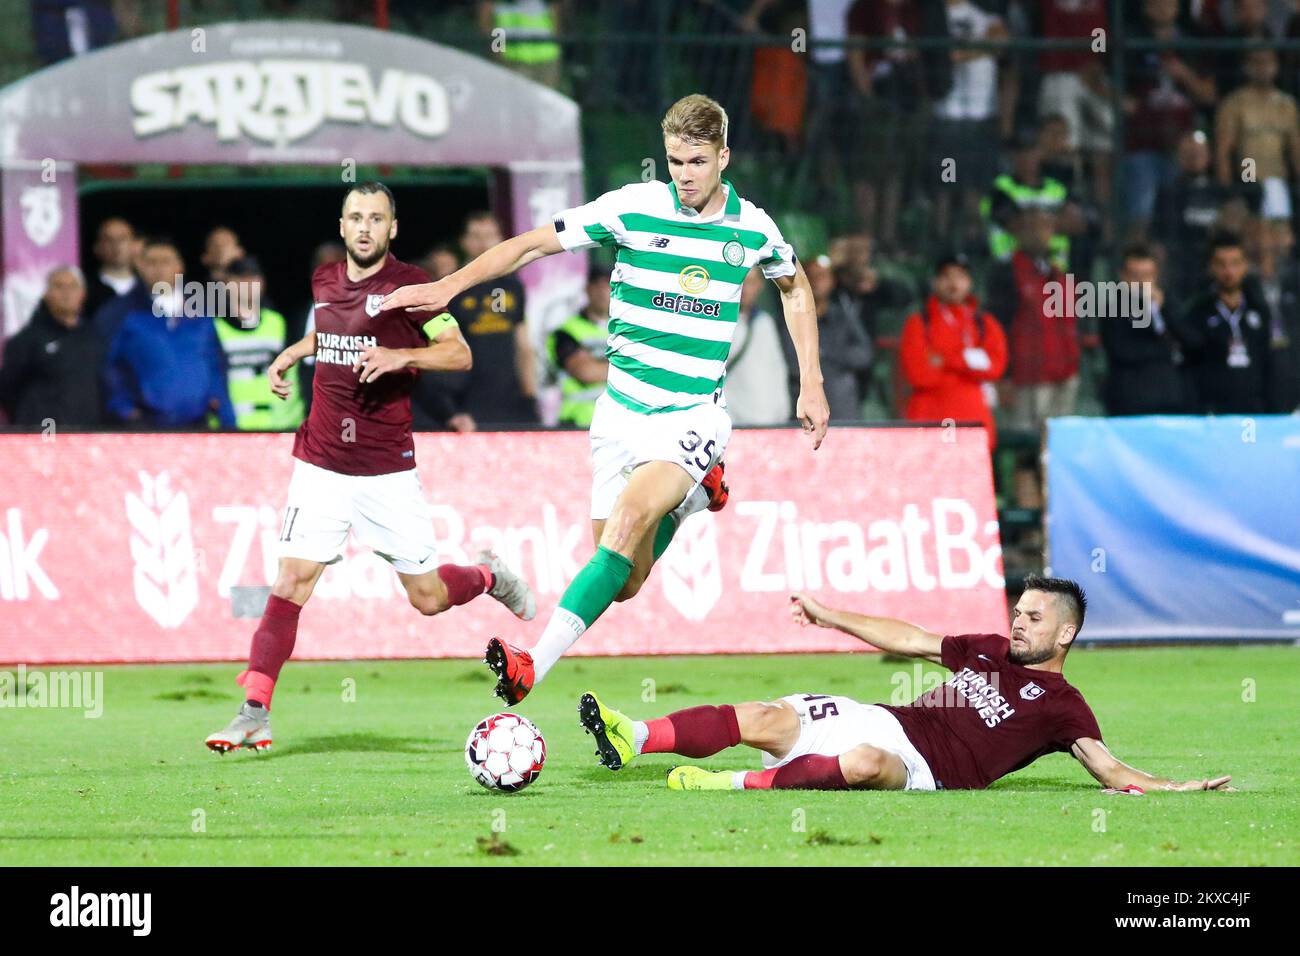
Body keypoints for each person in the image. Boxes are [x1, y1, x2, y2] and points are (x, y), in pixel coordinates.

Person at [382, 94, 830, 704]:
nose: (685, 175)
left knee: (624, 526)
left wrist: (813, 380)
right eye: (674, 161)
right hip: (619, 413)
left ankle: (532, 663)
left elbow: (795, 288)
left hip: (691, 414)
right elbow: (531, 244)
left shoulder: (752, 228)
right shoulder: (631, 208)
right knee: (622, 580)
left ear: (724, 156)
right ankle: (696, 500)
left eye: (697, 161)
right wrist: (449, 284)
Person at [204, 182, 537, 754]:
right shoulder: (325, 280)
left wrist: (402, 355)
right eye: (355, 217)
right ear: (341, 226)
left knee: (428, 598)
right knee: (290, 582)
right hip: (321, 462)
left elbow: (459, 353)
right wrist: (296, 350)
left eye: (376, 218)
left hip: (385, 468)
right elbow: (335, 331)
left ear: (392, 229)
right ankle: (254, 710)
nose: (364, 227)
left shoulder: (413, 288)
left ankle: (487, 576)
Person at [577, 576, 1233, 794]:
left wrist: (1176, 788)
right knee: (771, 715)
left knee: (864, 765)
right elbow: (910, 637)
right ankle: (633, 735)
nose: (1018, 621)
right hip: (886, 716)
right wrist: (831, 615)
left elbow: (1109, 769)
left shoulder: (1064, 707)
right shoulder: (986, 649)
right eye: (1019, 610)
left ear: (1065, 636)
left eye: (1034, 617)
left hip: (926, 771)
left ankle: (727, 786)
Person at [101, 237, 236, 430]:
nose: (159, 268)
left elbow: (216, 364)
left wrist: (223, 410)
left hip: (198, 425)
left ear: (179, 267)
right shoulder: (123, 313)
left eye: (165, 261)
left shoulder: (201, 312)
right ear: (140, 267)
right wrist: (124, 409)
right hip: (145, 427)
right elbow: (110, 367)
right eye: (151, 262)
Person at [427, 211, 538, 427]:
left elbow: (523, 345)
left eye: (489, 235)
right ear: (464, 241)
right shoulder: (451, 287)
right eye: (476, 236)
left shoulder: (514, 286)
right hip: (466, 399)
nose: (483, 243)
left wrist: (530, 394)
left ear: (500, 240)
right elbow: (437, 348)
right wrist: (447, 407)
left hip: (512, 399)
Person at [898, 254, 1007, 447]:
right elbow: (919, 375)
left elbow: (996, 367)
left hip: (974, 420)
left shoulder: (985, 323)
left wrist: (946, 360)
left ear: (970, 282)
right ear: (935, 282)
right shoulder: (919, 323)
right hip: (929, 420)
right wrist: (970, 367)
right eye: (946, 276)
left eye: (960, 276)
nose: (953, 283)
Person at [987, 208, 1080, 430]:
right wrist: (1004, 377)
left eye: (1047, 227)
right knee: (1024, 445)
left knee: (1058, 447)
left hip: (1063, 375)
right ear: (1018, 232)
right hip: (1025, 376)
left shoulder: (1058, 272)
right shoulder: (1005, 273)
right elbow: (999, 327)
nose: (1040, 233)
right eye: (1032, 227)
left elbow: (1070, 325)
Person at [1179, 233, 1274, 414]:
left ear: (1245, 266)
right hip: (1214, 413)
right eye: (1221, 264)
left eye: (1235, 263)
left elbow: (1269, 362)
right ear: (1211, 267)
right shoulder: (1197, 312)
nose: (1228, 271)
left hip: (1255, 412)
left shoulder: (1260, 310)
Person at [0, 266, 103, 427]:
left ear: (83, 294)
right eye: (59, 286)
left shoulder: (94, 336)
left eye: (72, 286)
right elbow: (7, 387)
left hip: (87, 434)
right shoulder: (26, 340)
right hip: (41, 435)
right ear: (46, 294)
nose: (66, 293)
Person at [214, 256, 305, 431]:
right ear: (226, 284)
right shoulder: (214, 328)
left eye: (253, 277)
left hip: (279, 427)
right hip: (230, 429)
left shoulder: (278, 323)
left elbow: (294, 376)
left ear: (262, 282)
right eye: (240, 277)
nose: (247, 283)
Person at [1099, 243, 1190, 415]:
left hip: (1169, 399)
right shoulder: (1112, 308)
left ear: (1156, 276)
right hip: (1130, 401)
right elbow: (1122, 351)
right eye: (1135, 276)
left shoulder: (1168, 304)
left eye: (1147, 276)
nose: (1141, 283)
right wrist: (1166, 349)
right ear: (1122, 277)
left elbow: (1191, 341)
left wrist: (1162, 310)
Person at [1215, 49, 1300, 228]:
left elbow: (1295, 147)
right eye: (1257, 63)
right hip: (1248, 174)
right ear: (1246, 67)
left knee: (1278, 227)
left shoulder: (1287, 104)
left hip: (1277, 177)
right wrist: (1229, 191)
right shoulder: (1235, 102)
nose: (1263, 68)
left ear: (1277, 66)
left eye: (1268, 63)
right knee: (1253, 226)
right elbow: (1223, 150)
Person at [725, 266, 792, 426]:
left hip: (769, 420)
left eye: (752, 282)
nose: (746, 289)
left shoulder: (764, 322)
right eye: (742, 282)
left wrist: (782, 411)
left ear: (760, 285)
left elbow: (776, 368)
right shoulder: (720, 322)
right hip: (733, 421)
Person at [546, 267, 610, 429]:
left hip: (618, 424)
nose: (603, 292)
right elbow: (586, 372)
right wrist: (633, 367)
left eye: (608, 285)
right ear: (587, 289)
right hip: (577, 423)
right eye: (597, 286)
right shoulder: (566, 331)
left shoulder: (628, 329)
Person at [84, 217, 139, 319]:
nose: (116, 245)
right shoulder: (85, 289)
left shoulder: (149, 287)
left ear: (135, 246)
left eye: (122, 239)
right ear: (97, 247)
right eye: (108, 239)